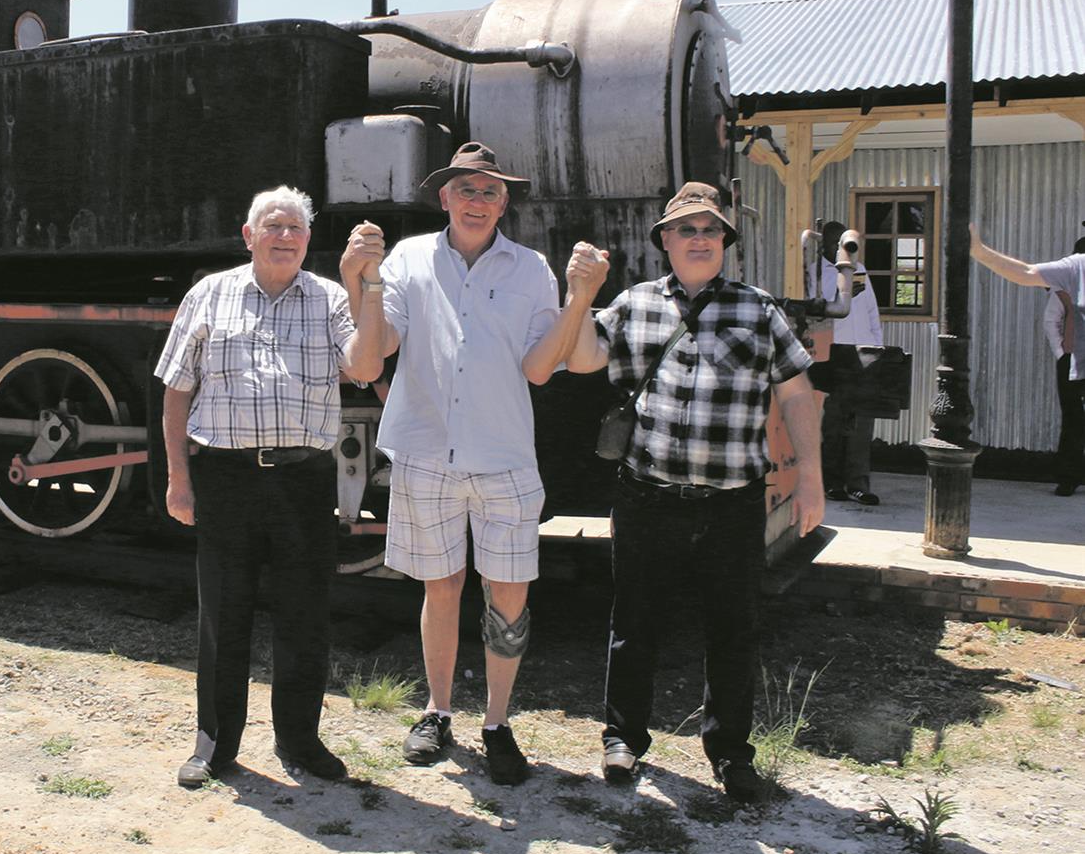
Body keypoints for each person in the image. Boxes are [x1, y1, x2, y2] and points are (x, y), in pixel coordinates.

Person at [565, 181, 824, 803]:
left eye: (711, 230)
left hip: (731, 503)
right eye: (686, 229)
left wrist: (812, 476)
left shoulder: (759, 308)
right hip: (647, 495)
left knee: (733, 629)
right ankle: (623, 738)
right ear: (665, 242)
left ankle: (732, 754)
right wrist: (580, 297)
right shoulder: (632, 304)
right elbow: (577, 361)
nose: (699, 238)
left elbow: (795, 394)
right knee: (634, 623)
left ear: (725, 243)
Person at [375, 141, 609, 786]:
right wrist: (360, 282)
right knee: (441, 587)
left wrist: (581, 296)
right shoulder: (409, 258)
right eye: (465, 190)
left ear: (504, 202)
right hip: (426, 450)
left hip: (505, 455)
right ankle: (438, 710)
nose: (477, 201)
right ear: (444, 197)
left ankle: (497, 723)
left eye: (489, 192)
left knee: (508, 599)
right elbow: (381, 343)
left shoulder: (533, 269)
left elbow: (541, 369)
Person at [155, 186, 387, 788]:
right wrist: (179, 479)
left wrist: (370, 283)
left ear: (309, 240)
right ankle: (214, 745)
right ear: (249, 234)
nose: (286, 237)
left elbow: (364, 369)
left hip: (303, 479)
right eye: (274, 226)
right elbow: (176, 390)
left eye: (296, 228)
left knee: (305, 614)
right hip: (225, 478)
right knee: (221, 615)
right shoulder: (209, 293)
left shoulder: (334, 299)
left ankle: (301, 742)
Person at [972, 227, 1085, 497]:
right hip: (1075, 362)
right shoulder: (1074, 269)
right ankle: (1069, 477)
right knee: (1074, 421)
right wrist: (979, 250)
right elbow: (1027, 275)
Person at [810, 221, 884, 506]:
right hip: (831, 356)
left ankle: (858, 485)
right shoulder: (815, 274)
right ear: (823, 246)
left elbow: (871, 311)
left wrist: (877, 347)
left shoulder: (859, 270)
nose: (841, 251)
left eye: (844, 246)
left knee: (861, 423)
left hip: (863, 354)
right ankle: (832, 483)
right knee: (833, 422)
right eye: (834, 246)